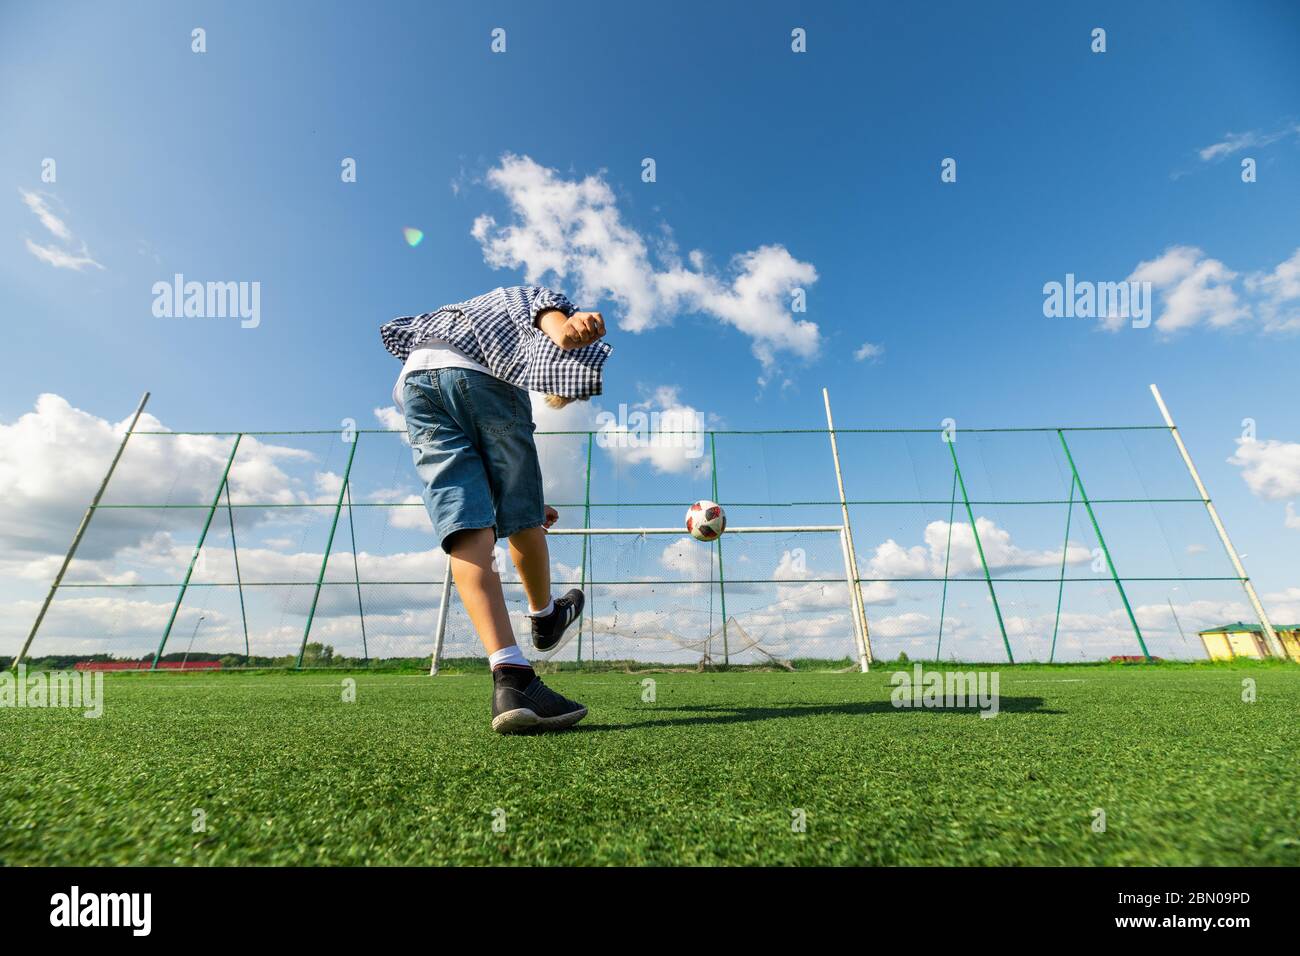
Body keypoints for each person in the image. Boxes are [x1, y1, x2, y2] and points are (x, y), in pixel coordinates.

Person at [380, 286, 611, 733]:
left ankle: (511, 675)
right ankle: (546, 617)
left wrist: (521, 495)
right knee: (523, 518)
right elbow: (546, 310)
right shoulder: (521, 301)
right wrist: (566, 328)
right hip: (481, 378)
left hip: (416, 386)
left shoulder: (459, 314)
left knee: (467, 524)